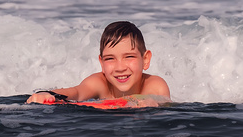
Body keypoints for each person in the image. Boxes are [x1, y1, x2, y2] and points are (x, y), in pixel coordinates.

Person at [26, 21, 170, 106]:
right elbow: (76, 92)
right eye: (110, 59)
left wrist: (151, 103)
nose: (120, 68)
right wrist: (47, 94)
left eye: (129, 56)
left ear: (145, 60)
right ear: (101, 62)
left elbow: (160, 101)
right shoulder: (100, 83)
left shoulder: (154, 85)